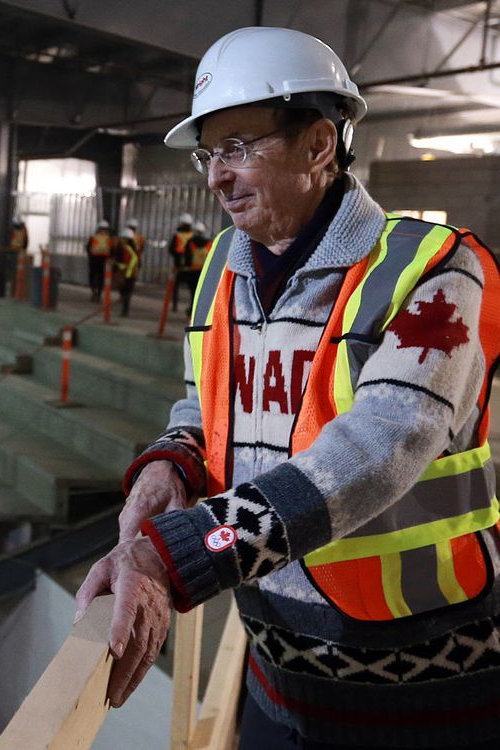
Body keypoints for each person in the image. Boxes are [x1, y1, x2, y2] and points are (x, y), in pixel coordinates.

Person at [74, 26, 500, 750]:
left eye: (239, 146)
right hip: (276, 680)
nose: (216, 176)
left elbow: (380, 448)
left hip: (431, 693)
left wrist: (180, 553)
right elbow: (201, 405)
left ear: (319, 144)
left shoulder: (433, 271)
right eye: (210, 153)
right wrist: (170, 463)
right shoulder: (221, 271)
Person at [177, 221, 210, 314]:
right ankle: (200, 311)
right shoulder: (208, 243)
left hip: (192, 271)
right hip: (204, 271)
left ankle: (192, 309)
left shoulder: (190, 242)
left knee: (193, 292)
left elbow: (187, 257)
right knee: (202, 292)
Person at [169, 212, 194, 311]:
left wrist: (178, 255)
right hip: (191, 266)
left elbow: (171, 249)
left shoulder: (177, 235)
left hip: (178, 264)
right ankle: (192, 306)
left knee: (175, 286)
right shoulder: (193, 235)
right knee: (192, 288)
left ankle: (174, 306)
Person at [86, 219, 115, 302]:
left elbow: (88, 249)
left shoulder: (93, 238)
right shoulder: (110, 239)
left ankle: (94, 292)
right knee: (102, 278)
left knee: (92, 276)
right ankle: (98, 294)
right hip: (104, 261)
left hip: (94, 260)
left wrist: (91, 255)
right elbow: (112, 251)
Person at [115, 226, 140, 317]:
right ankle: (125, 310)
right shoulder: (134, 249)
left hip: (125, 274)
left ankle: (124, 311)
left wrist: (119, 271)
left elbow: (123, 263)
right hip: (132, 274)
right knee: (127, 293)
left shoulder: (124, 249)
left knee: (125, 292)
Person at [7, 215, 29, 296]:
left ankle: (14, 288)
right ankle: (16, 288)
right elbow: (26, 240)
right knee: (17, 271)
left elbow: (8, 239)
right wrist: (24, 249)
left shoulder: (12, 229)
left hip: (13, 251)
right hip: (19, 251)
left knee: (14, 270)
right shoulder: (24, 229)